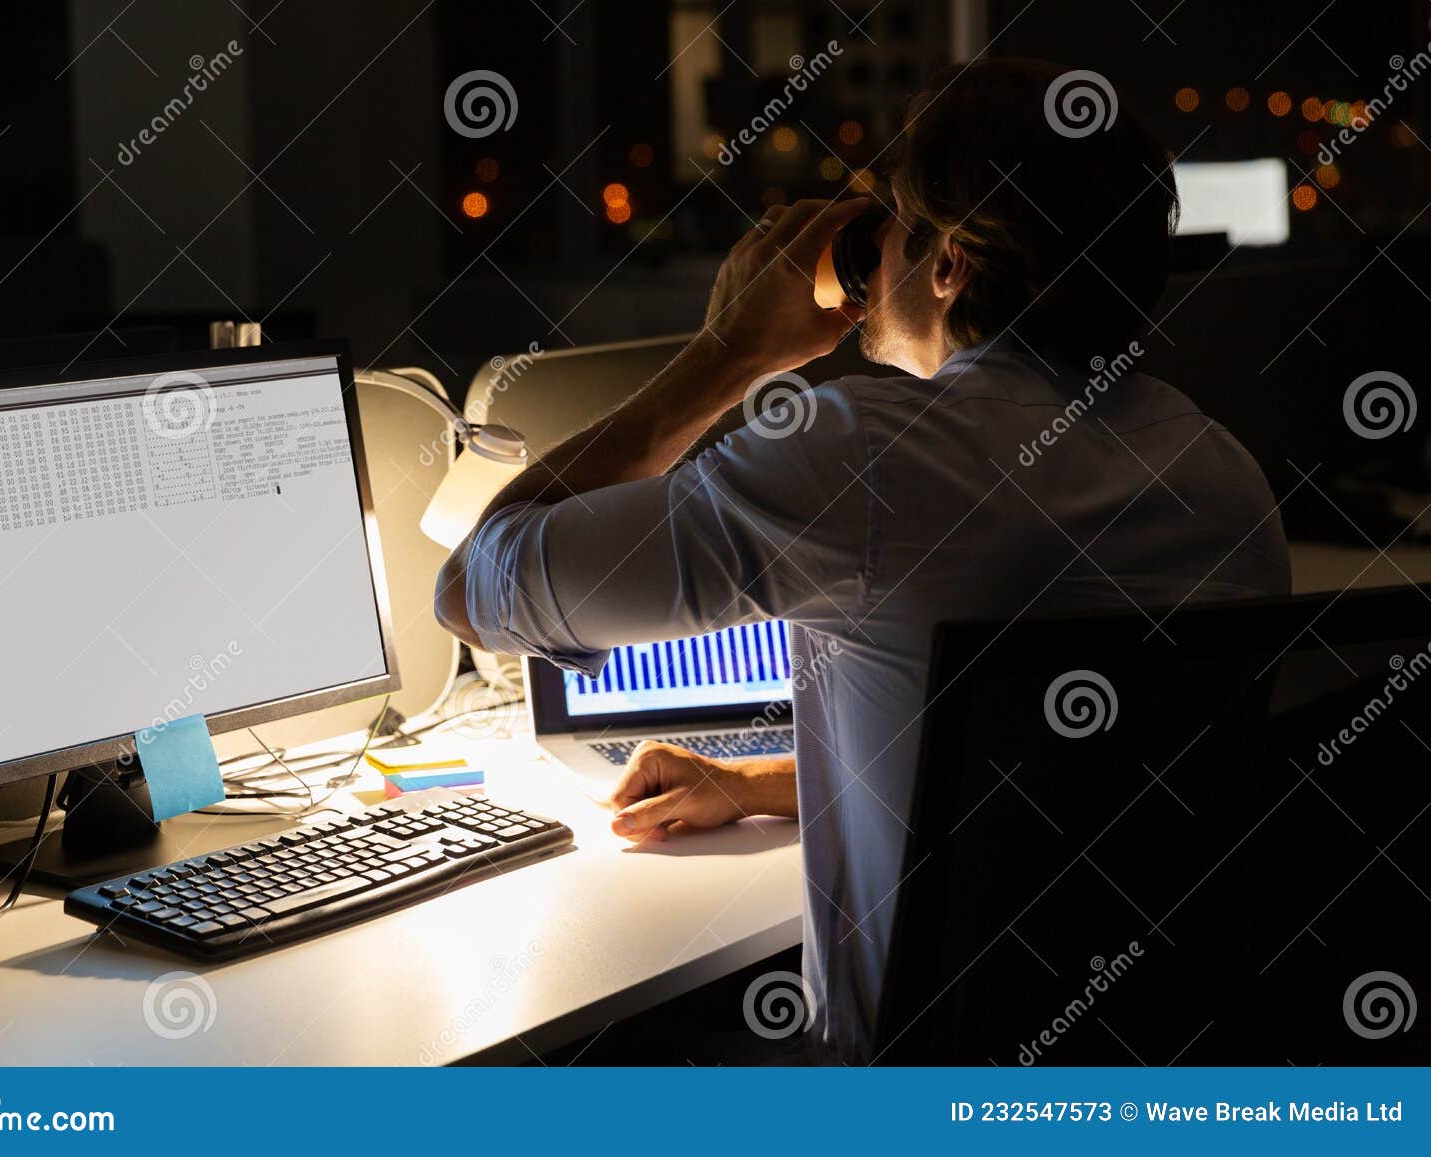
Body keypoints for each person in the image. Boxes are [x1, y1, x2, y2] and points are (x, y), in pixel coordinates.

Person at [434, 58, 1291, 1063]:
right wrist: (757, 783)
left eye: (889, 217)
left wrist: (732, 352)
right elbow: (1048, 775)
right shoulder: (1223, 478)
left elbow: (477, 589)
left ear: (948, 262)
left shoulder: (862, 457)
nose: (869, 247)